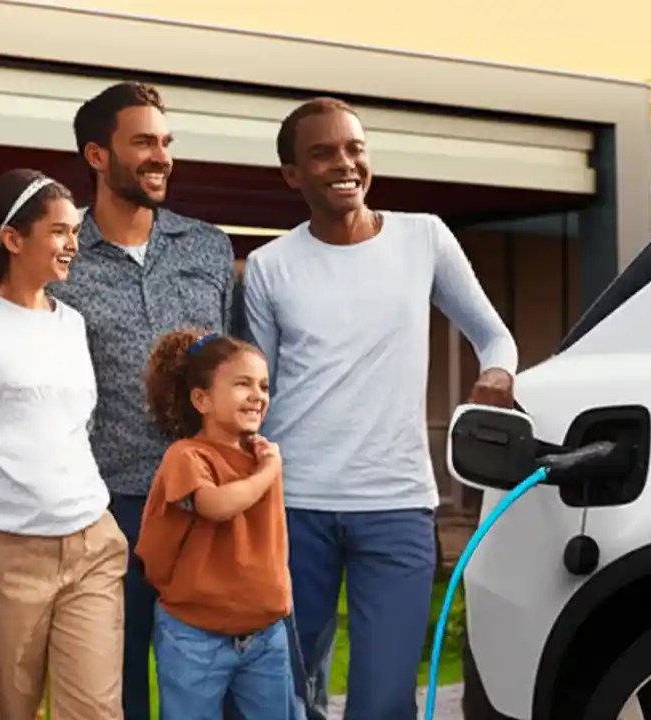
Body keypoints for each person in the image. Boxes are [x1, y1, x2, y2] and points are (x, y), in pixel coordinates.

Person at [240, 97, 519, 720]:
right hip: (294, 507)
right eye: (323, 153)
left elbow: (493, 336)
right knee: (286, 692)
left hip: (397, 506)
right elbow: (257, 394)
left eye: (354, 148)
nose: (345, 163)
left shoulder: (425, 237)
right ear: (292, 175)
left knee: (383, 699)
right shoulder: (269, 266)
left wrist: (496, 376)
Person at [47, 80, 238, 720]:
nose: (160, 156)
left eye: (164, 141)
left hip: (207, 502)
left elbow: (234, 370)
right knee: (116, 684)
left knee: (209, 684)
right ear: (97, 155)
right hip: (110, 506)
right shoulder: (62, 255)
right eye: (142, 142)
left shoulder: (209, 246)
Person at [0, 168, 129, 720]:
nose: (73, 244)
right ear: (13, 238)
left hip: (91, 542)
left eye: (75, 231)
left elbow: (78, 425)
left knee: (95, 711)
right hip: (6, 552)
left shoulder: (72, 323)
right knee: (8, 710)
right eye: (59, 231)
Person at [133, 329, 296, 720]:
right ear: (201, 399)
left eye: (263, 386)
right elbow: (216, 506)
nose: (257, 395)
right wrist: (269, 471)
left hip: (265, 634)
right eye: (242, 384)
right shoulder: (187, 456)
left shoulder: (260, 454)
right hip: (195, 635)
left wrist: (266, 465)